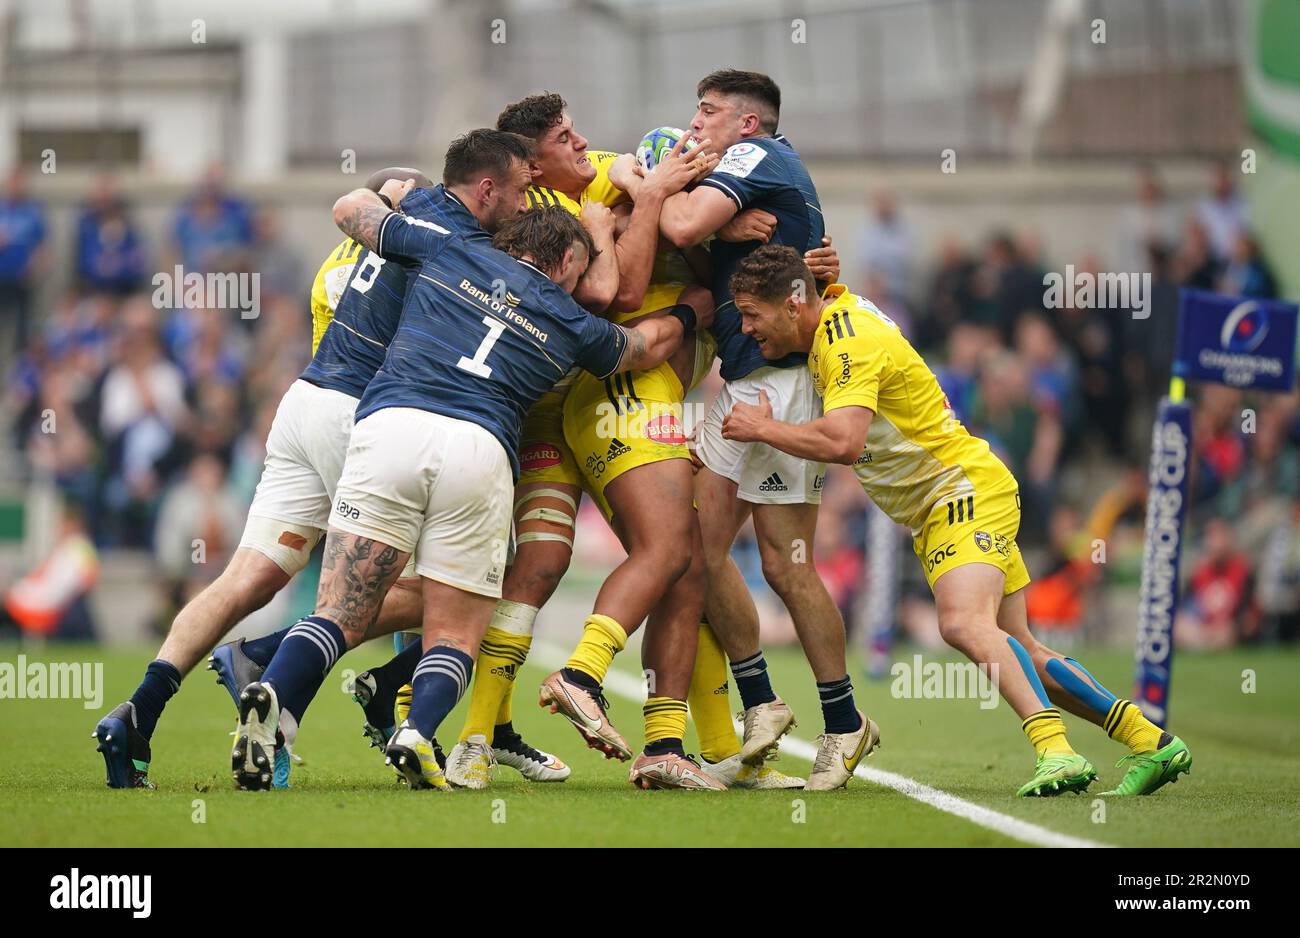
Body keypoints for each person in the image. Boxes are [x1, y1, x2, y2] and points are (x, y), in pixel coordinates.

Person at [232, 198, 709, 792]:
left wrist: (397, 194)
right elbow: (644, 348)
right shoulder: (568, 318)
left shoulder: (452, 248)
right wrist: (691, 311)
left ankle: (273, 694)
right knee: (458, 628)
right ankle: (418, 731)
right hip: (478, 446)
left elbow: (349, 210)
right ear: (565, 261)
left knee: (339, 609)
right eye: (580, 268)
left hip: (389, 428)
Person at [92, 138, 520, 789]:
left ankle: (137, 713)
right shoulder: (432, 246)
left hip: (304, 403)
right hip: (366, 418)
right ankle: (274, 691)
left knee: (243, 580)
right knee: (445, 587)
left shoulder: (344, 257)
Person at [719, 245, 1194, 796]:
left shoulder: (846, 340)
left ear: (794, 304)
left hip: (959, 494)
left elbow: (845, 442)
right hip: (956, 496)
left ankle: (1056, 752)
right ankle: (1152, 741)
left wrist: (761, 428)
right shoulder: (839, 320)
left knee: (963, 623)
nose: (746, 327)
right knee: (1023, 651)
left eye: (752, 312)